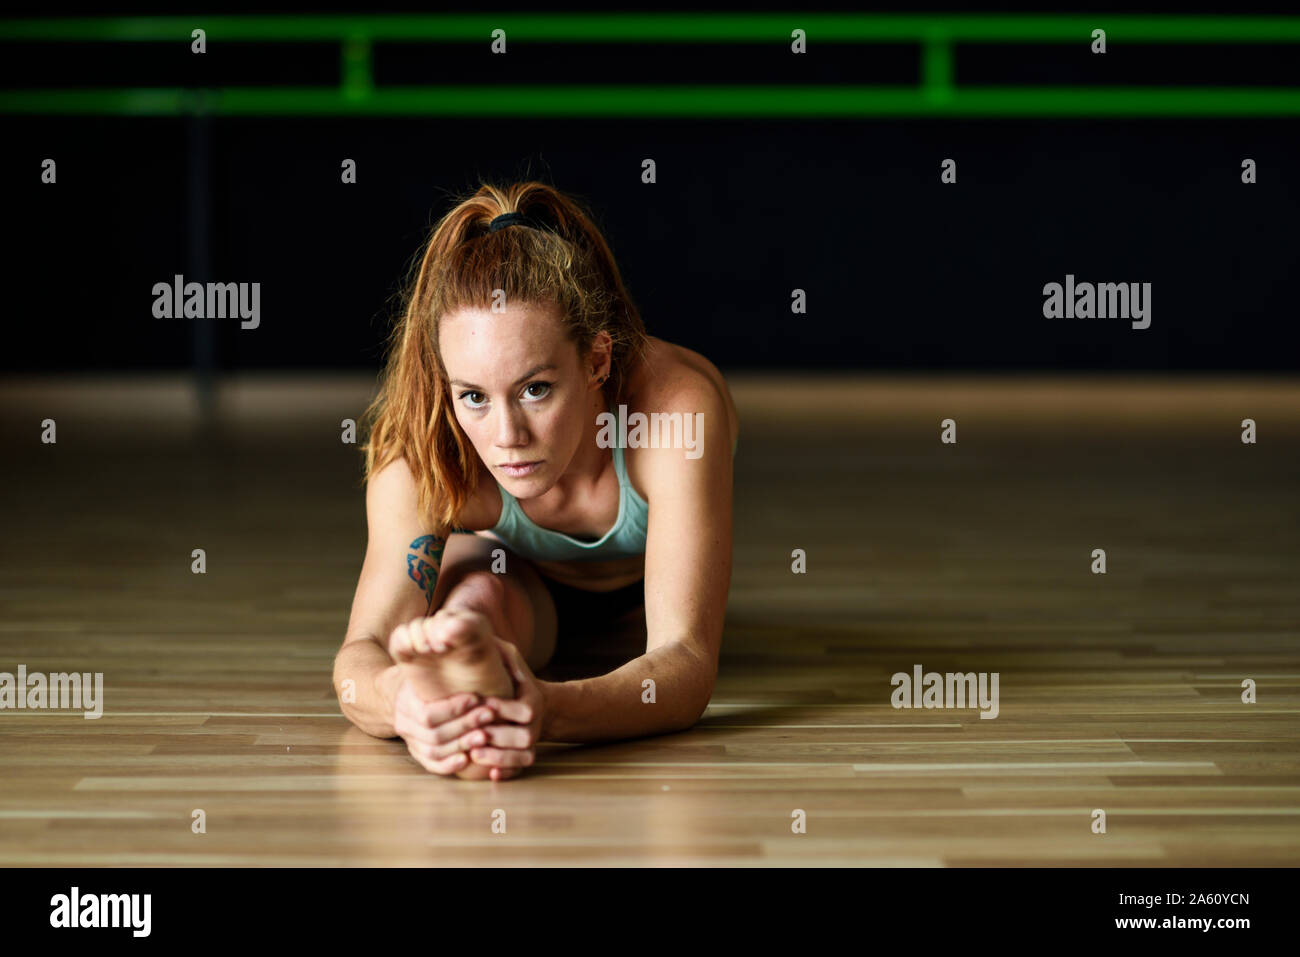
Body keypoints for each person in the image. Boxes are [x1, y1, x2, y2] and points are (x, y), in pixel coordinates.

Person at [333, 180, 738, 780]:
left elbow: (686, 660)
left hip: (641, 597)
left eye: (535, 389)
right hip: (519, 579)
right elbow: (359, 654)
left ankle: (490, 681)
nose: (507, 436)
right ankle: (470, 674)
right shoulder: (424, 454)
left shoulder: (674, 414)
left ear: (597, 360)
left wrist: (547, 710)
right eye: (472, 396)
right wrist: (404, 703)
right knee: (473, 602)